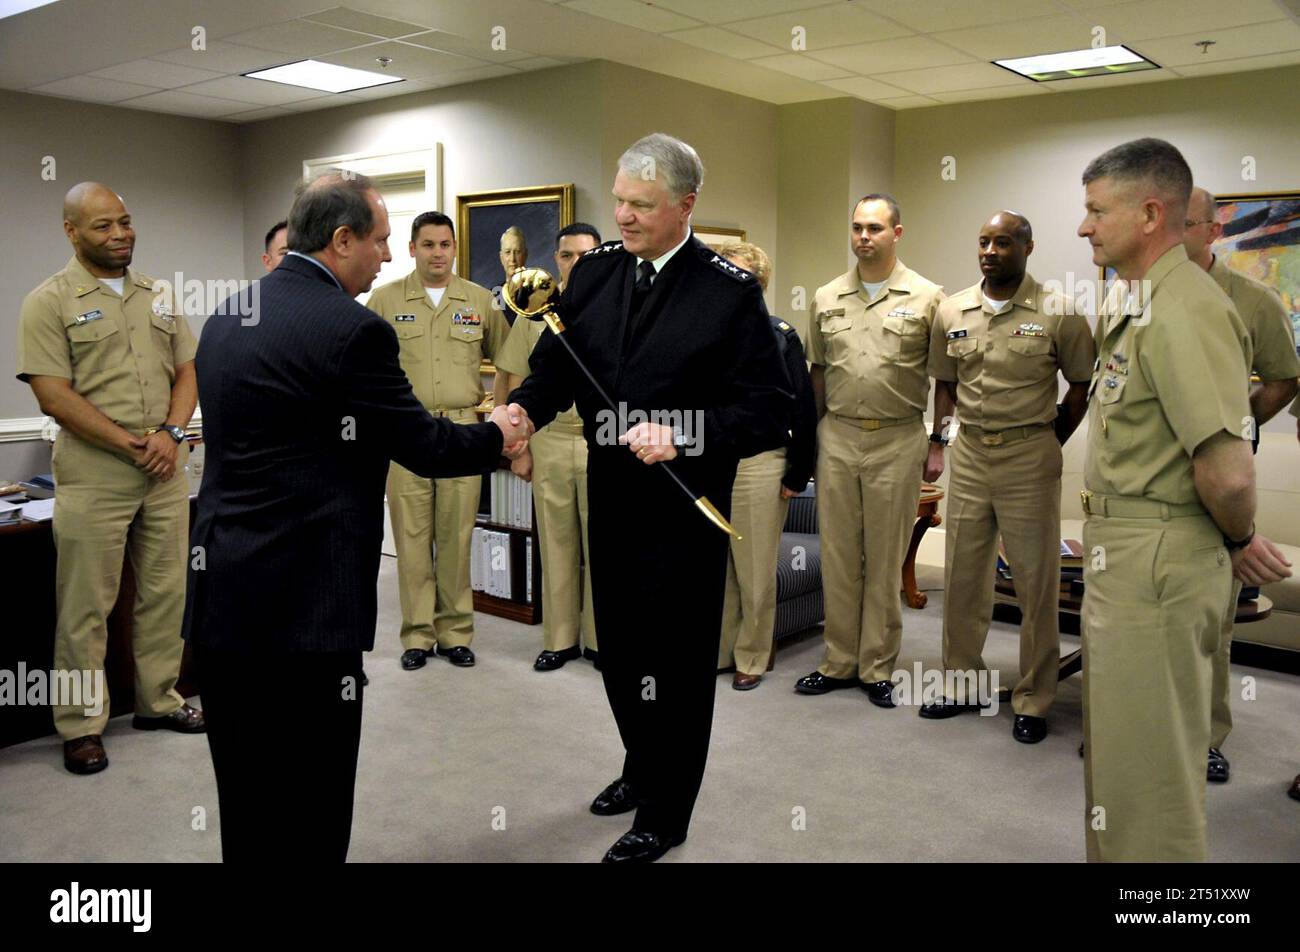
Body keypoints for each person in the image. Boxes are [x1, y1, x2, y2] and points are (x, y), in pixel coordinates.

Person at [184, 172, 530, 862]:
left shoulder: (229, 314)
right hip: (307, 608)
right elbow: (426, 446)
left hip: (225, 594)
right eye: (377, 241)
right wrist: (499, 431)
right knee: (312, 799)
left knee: (246, 795)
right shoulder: (354, 330)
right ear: (341, 241)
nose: (388, 257)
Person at [508, 133, 792, 862]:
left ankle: (668, 812)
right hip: (613, 497)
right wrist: (521, 415)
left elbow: (766, 411)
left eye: (641, 205)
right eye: (620, 201)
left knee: (678, 664)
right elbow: (555, 367)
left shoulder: (728, 292)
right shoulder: (598, 271)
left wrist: (684, 434)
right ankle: (640, 766)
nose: (624, 217)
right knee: (623, 651)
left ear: (685, 206)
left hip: (683, 507)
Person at [1076, 138, 1292, 862]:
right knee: (1123, 763)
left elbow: (1227, 472)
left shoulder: (1184, 309)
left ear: (1148, 213)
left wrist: (1236, 539)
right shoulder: (1142, 298)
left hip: (1159, 560)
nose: (1084, 227)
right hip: (1134, 551)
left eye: (1095, 211)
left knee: (1150, 773)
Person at [17, 182, 204, 775]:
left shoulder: (160, 295)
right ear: (71, 232)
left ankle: (158, 701)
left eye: (125, 221)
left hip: (164, 467)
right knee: (85, 606)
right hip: (96, 470)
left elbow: (187, 369)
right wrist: (133, 443)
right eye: (103, 226)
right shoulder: (48, 302)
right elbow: (53, 395)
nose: (120, 234)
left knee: (167, 593)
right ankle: (80, 726)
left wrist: (170, 435)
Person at [922, 212, 1094, 741]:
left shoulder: (1059, 312)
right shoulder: (953, 309)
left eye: (1003, 242)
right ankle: (959, 684)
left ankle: (1036, 697)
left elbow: (1081, 387)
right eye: (983, 242)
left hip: (1029, 457)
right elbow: (946, 386)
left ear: (1027, 247)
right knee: (964, 575)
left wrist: (1048, 442)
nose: (991, 251)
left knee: (1035, 583)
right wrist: (941, 442)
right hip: (971, 452)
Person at [794, 194, 945, 708]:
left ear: (897, 233)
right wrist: (808, 440)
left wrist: (938, 441)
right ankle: (838, 661)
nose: (863, 237)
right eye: (857, 227)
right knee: (838, 555)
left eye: (875, 228)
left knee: (884, 558)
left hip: (898, 437)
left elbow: (945, 378)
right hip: (837, 435)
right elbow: (818, 373)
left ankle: (877, 665)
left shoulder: (928, 297)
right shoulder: (827, 296)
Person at [1182, 185, 1300, 783]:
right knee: (1148, 626)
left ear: (1213, 229)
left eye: (1189, 223)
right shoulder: (1137, 298)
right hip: (1157, 485)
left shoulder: (1252, 301)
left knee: (1210, 624)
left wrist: (1241, 423)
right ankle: (1142, 732)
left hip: (1219, 482)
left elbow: (1284, 376)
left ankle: (1206, 738)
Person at [365, 212, 507, 670]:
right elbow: (362, 370)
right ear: (412, 249)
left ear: (454, 249)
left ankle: (455, 633)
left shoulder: (481, 300)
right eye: (428, 245)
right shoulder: (383, 301)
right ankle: (417, 635)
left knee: (456, 537)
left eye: (445, 244)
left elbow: (509, 359)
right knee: (411, 539)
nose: (438, 253)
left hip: (463, 429)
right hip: (406, 432)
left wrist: (500, 416)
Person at [496, 222, 603, 671]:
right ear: (555, 259)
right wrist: (519, 449)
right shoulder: (534, 310)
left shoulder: (610, 309)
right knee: (557, 542)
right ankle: (561, 639)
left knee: (603, 545)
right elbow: (512, 382)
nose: (574, 263)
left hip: (602, 441)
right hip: (554, 439)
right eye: (566, 255)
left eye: (585, 255)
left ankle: (602, 641)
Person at [712, 241, 816, 690]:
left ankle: (752, 655)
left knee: (754, 570)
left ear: (758, 285)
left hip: (760, 463)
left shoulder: (780, 335)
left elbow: (804, 409)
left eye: (741, 277)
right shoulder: (704, 331)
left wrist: (798, 471)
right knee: (718, 569)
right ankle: (717, 650)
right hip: (711, 463)